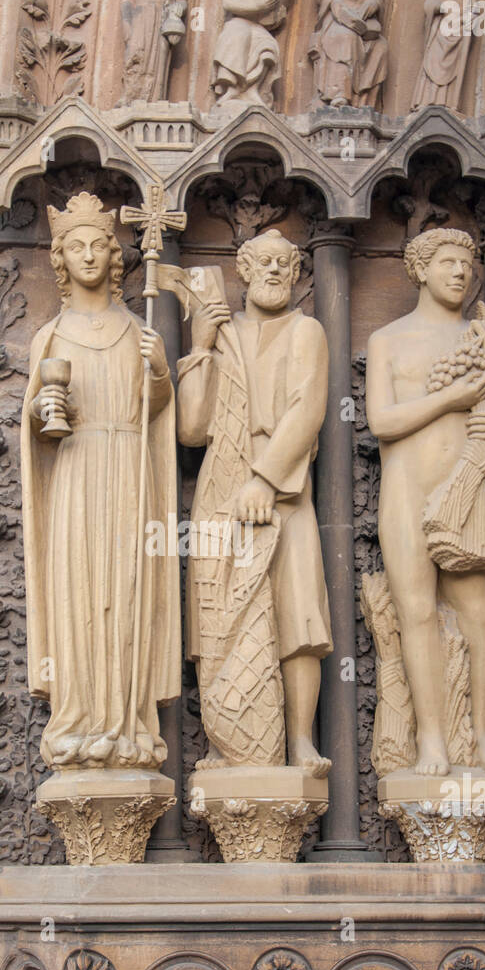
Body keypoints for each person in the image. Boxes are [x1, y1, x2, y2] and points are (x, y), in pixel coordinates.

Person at [21, 192, 180, 770]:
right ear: (60, 258)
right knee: (79, 596)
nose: (88, 255)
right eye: (75, 246)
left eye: (98, 245)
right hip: (76, 477)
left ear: (116, 256)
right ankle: (79, 716)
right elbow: (36, 428)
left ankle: (128, 722)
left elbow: (157, 413)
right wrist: (45, 412)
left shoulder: (137, 330)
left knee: (128, 594)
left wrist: (160, 369)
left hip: (128, 473)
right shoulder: (52, 336)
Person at [177, 231, 332, 774]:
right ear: (242, 271)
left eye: (284, 265)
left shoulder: (305, 330)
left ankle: (299, 743)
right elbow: (193, 430)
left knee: (298, 617)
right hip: (221, 488)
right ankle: (229, 741)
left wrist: (265, 481)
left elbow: (306, 408)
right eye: (263, 263)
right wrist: (199, 348)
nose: (273, 271)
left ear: (296, 276)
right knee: (219, 619)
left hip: (283, 491)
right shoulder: (221, 334)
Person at [366, 229, 485, 777]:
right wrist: (455, 396)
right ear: (420, 270)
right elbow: (383, 422)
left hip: (466, 492)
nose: (461, 272)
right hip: (406, 491)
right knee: (418, 612)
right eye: (449, 262)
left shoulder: (482, 340)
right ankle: (430, 738)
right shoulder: (389, 339)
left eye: (468, 263)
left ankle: (479, 737)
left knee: (477, 612)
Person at [412, 0, 475, 111]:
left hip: (456, 38)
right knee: (433, 66)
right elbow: (429, 6)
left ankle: (447, 103)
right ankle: (427, 100)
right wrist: (440, 6)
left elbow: (467, 14)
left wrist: (471, 16)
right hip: (439, 37)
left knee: (451, 71)